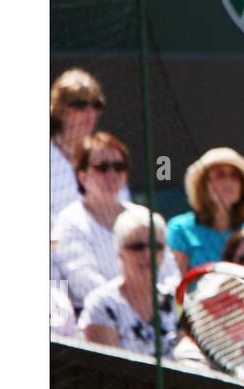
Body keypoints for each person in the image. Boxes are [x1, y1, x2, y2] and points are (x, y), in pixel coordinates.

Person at [51, 132, 178, 311]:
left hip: (156, 313)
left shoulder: (144, 217)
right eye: (102, 167)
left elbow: (171, 275)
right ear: (82, 176)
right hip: (98, 322)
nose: (112, 174)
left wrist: (155, 302)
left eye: (119, 167)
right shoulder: (69, 223)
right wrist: (131, 304)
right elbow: (84, 283)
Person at [79, 206, 181, 358]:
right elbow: (109, 369)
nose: (148, 254)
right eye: (137, 247)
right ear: (120, 253)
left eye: (156, 246)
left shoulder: (175, 302)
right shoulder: (102, 305)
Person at [50, 68, 128, 228]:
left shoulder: (107, 154)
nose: (90, 112)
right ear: (60, 110)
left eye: (96, 105)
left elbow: (123, 203)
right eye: (80, 104)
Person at [168, 148, 244, 277]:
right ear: (204, 185)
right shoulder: (181, 229)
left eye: (234, 176)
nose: (228, 182)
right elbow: (176, 285)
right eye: (220, 175)